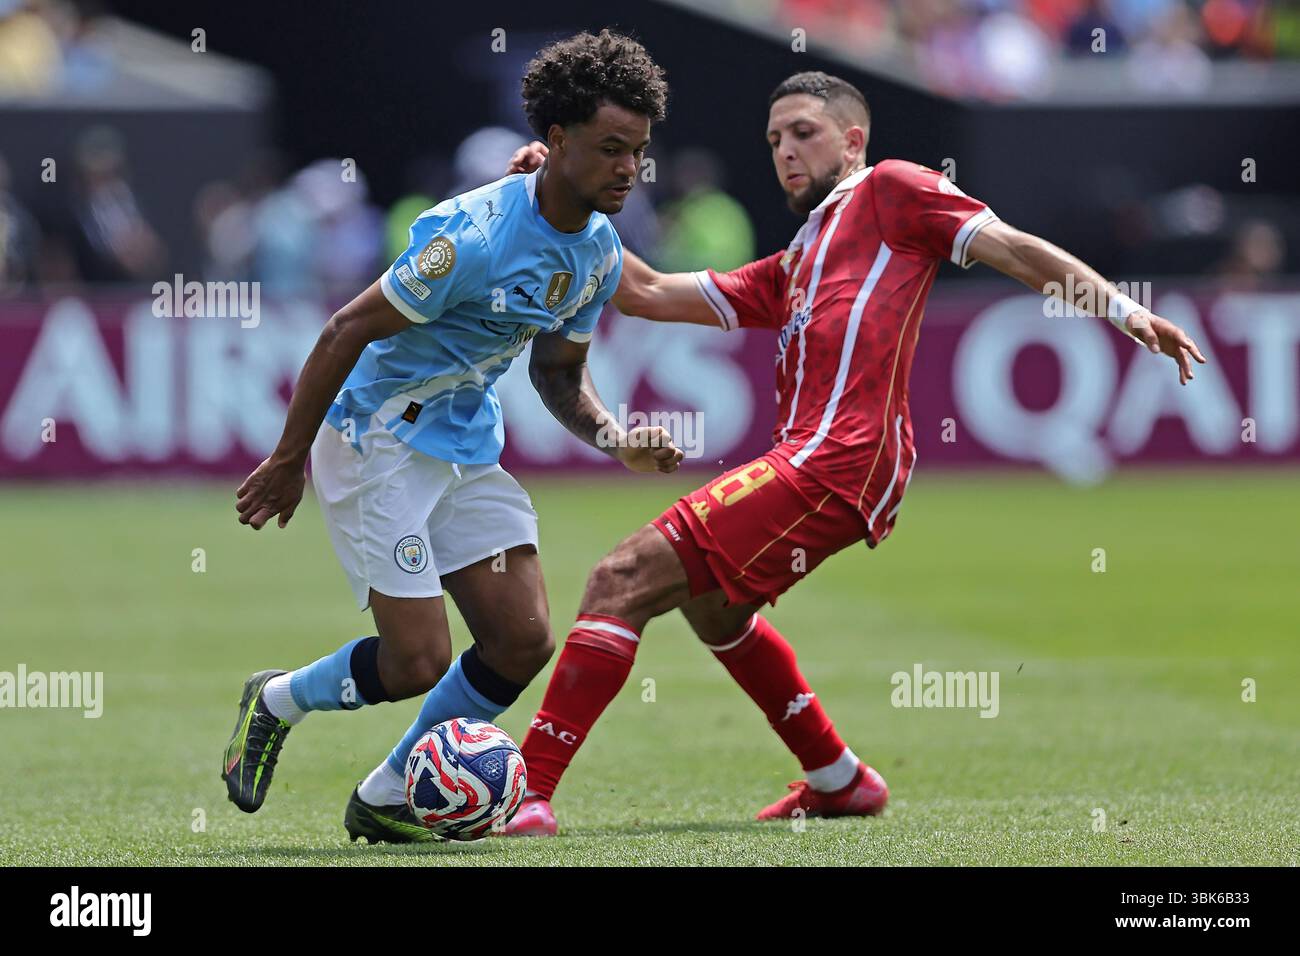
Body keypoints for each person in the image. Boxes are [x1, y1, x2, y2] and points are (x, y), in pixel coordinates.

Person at [499, 70, 1207, 836]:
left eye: (804, 132)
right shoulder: (795, 259)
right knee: (711, 606)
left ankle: (528, 795)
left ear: (854, 140)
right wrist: (562, 194)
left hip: (842, 456)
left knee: (621, 576)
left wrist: (1127, 309)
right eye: (775, 140)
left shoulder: (892, 192)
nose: (787, 152)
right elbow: (642, 291)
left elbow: (1014, 250)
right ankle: (840, 779)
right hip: (820, 457)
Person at [221, 30, 681, 844]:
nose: (627, 170)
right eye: (611, 149)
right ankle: (278, 698)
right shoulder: (469, 239)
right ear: (558, 141)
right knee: (416, 663)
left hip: (464, 440)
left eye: (638, 153)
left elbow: (557, 376)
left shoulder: (601, 253)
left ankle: (389, 791)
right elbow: (342, 331)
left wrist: (615, 438)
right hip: (376, 442)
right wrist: (290, 460)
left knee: (520, 639)